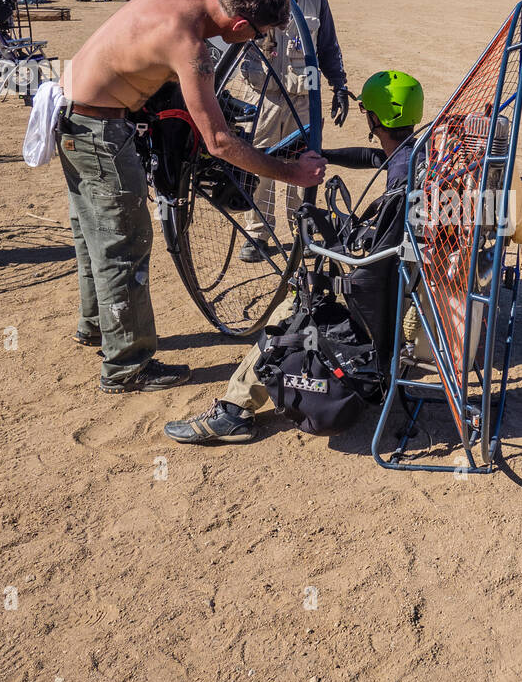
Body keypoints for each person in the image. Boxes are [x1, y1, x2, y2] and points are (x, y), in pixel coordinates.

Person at [60, 0, 327, 394]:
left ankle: (97, 326)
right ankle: (126, 366)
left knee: (92, 233)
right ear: (239, 25)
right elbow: (220, 142)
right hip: (99, 132)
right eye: (256, 34)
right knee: (123, 242)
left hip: (71, 117)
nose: (256, 42)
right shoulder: (191, 49)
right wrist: (291, 171)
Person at [163, 70, 423, 442]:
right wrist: (326, 155)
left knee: (295, 304)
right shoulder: (419, 156)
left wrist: (326, 237)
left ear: (373, 118)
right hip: (413, 298)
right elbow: (377, 156)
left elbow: (370, 268)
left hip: (380, 311)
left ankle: (234, 410)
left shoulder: (397, 192)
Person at [240, 0, 351, 261]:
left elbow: (328, 48)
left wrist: (339, 87)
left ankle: (301, 232)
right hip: (263, 100)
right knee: (259, 166)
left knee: (301, 169)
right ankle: (257, 234)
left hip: (304, 102)